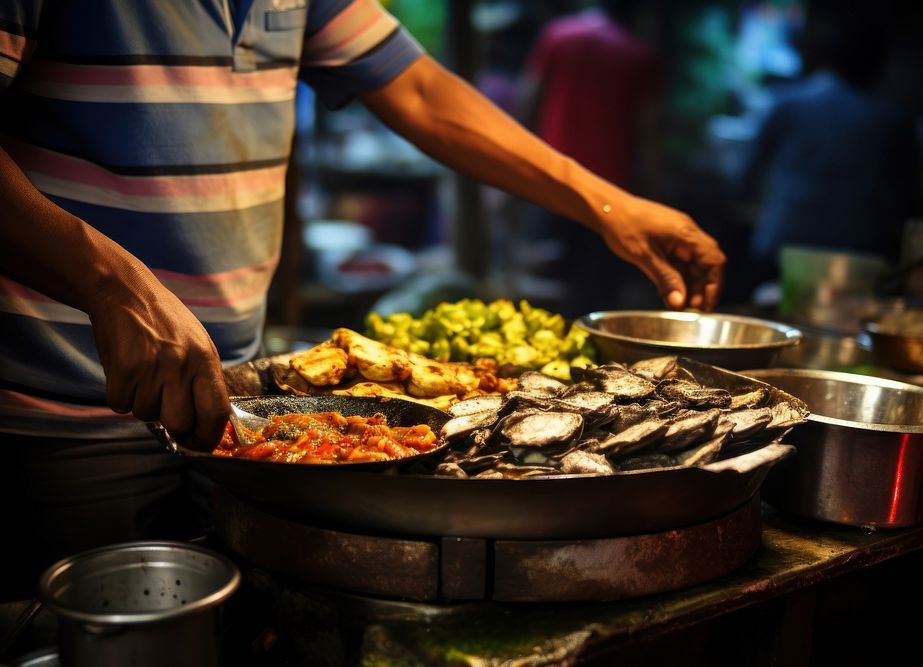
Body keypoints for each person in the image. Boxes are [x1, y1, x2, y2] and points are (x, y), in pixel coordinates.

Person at [0, 0, 724, 596]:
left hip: (240, 419)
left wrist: (606, 205)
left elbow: (417, 90)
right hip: (62, 420)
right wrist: (107, 281)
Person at [738, 0, 921, 291]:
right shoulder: (893, 119)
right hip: (856, 255)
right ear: (878, 64)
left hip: (784, 241)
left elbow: (747, 174)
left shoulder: (788, 102)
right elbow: (910, 199)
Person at [514, 0, 667, 317]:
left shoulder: (559, 35)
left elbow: (528, 103)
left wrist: (514, 164)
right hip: (609, 193)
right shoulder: (639, 54)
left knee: (544, 280)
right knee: (594, 290)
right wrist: (653, 196)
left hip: (550, 181)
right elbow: (648, 134)